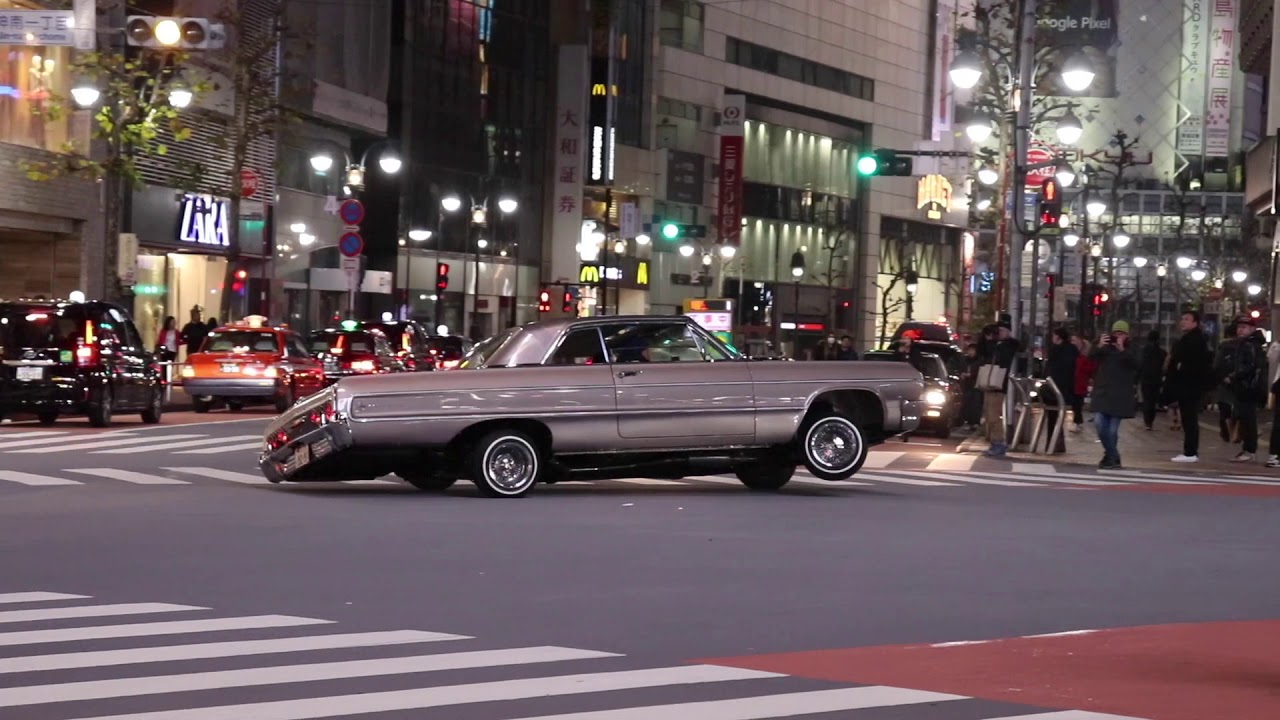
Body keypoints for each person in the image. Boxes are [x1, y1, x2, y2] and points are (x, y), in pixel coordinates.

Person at [1088, 320, 1139, 469]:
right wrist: (1099, 345)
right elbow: (1091, 357)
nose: (1118, 336)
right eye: (1116, 333)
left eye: (1121, 334)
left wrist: (1122, 349)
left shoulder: (1131, 349)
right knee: (1099, 423)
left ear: (1127, 335)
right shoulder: (1105, 348)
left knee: (1112, 430)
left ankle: (1110, 457)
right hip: (1103, 392)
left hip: (1120, 395)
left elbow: (1137, 364)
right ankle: (1113, 456)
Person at [1165, 311, 1212, 462]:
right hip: (1188, 384)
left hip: (1190, 384)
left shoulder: (1195, 341)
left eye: (1187, 319)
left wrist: (1179, 367)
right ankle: (1189, 451)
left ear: (1195, 323)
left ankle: (1191, 452)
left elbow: (1187, 362)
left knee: (1189, 418)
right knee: (1187, 418)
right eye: (1182, 319)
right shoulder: (1190, 339)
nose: (1183, 322)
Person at [1219, 317, 1268, 462]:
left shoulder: (1250, 344)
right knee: (1244, 416)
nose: (1240, 330)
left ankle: (1249, 449)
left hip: (1248, 386)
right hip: (1247, 386)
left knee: (1247, 418)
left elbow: (1249, 366)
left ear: (1252, 329)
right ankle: (1248, 448)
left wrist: (1233, 377)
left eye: (1244, 327)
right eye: (1239, 327)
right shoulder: (1250, 343)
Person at [980, 320, 1020, 457]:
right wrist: (987, 337)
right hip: (989, 383)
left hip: (998, 384)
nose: (999, 333)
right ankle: (993, 442)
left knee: (994, 416)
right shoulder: (995, 344)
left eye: (1002, 330)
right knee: (988, 414)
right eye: (998, 331)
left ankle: (999, 442)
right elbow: (983, 352)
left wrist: (992, 342)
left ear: (1008, 331)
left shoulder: (1010, 344)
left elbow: (1001, 358)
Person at [1044, 326, 1078, 452]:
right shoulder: (1072, 350)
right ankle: (1057, 443)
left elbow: (1051, 369)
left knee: (1052, 415)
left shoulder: (1056, 351)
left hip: (1055, 388)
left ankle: (1053, 443)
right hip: (1066, 388)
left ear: (1058, 337)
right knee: (1056, 416)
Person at [1139, 330, 1166, 431]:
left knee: (1147, 399)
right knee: (1153, 401)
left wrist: (1136, 378)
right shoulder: (1162, 352)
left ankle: (1147, 421)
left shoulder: (1144, 351)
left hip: (1145, 378)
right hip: (1156, 379)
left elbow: (1140, 365)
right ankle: (1150, 420)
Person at [1071, 336, 1097, 433]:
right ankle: (1078, 422)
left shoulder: (1085, 358)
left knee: (1077, 405)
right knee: (1076, 405)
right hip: (1077, 384)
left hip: (1080, 385)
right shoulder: (1078, 357)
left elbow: (1090, 369)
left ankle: (1078, 423)